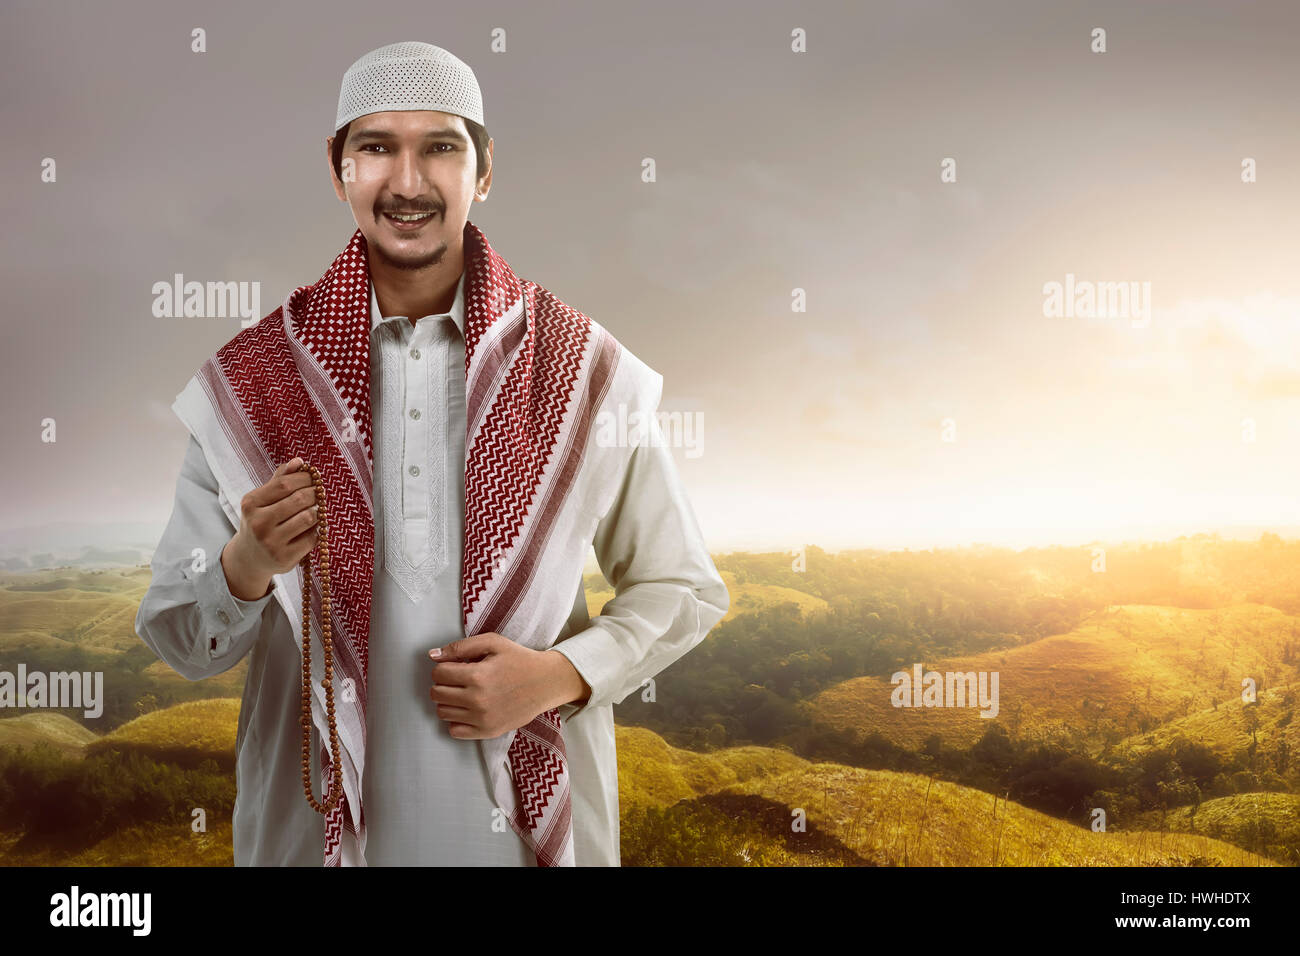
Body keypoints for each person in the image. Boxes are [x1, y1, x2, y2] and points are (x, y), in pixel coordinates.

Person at [134, 41, 728, 867]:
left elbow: (683, 586)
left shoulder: (578, 369)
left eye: (440, 147)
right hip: (313, 841)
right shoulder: (256, 385)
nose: (407, 182)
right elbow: (178, 634)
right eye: (375, 147)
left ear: (484, 170)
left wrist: (559, 675)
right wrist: (247, 562)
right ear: (338, 168)